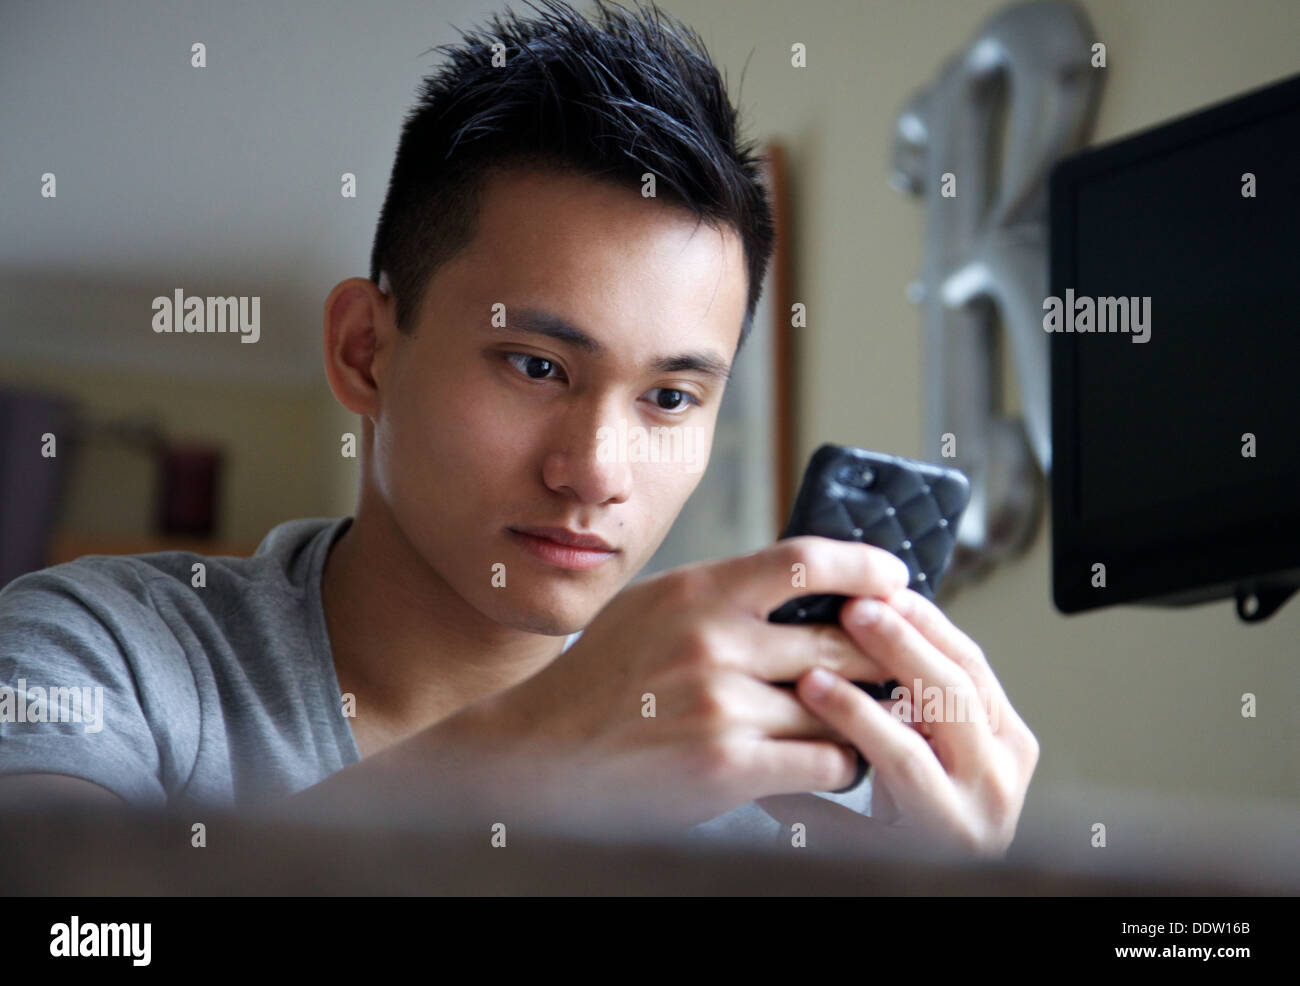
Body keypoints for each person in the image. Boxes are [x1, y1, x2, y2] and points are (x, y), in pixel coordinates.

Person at [0, 0, 1037, 856]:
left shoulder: (788, 814)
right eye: (536, 365)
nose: (594, 470)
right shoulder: (96, 653)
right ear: (366, 349)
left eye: (670, 397)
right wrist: (538, 748)